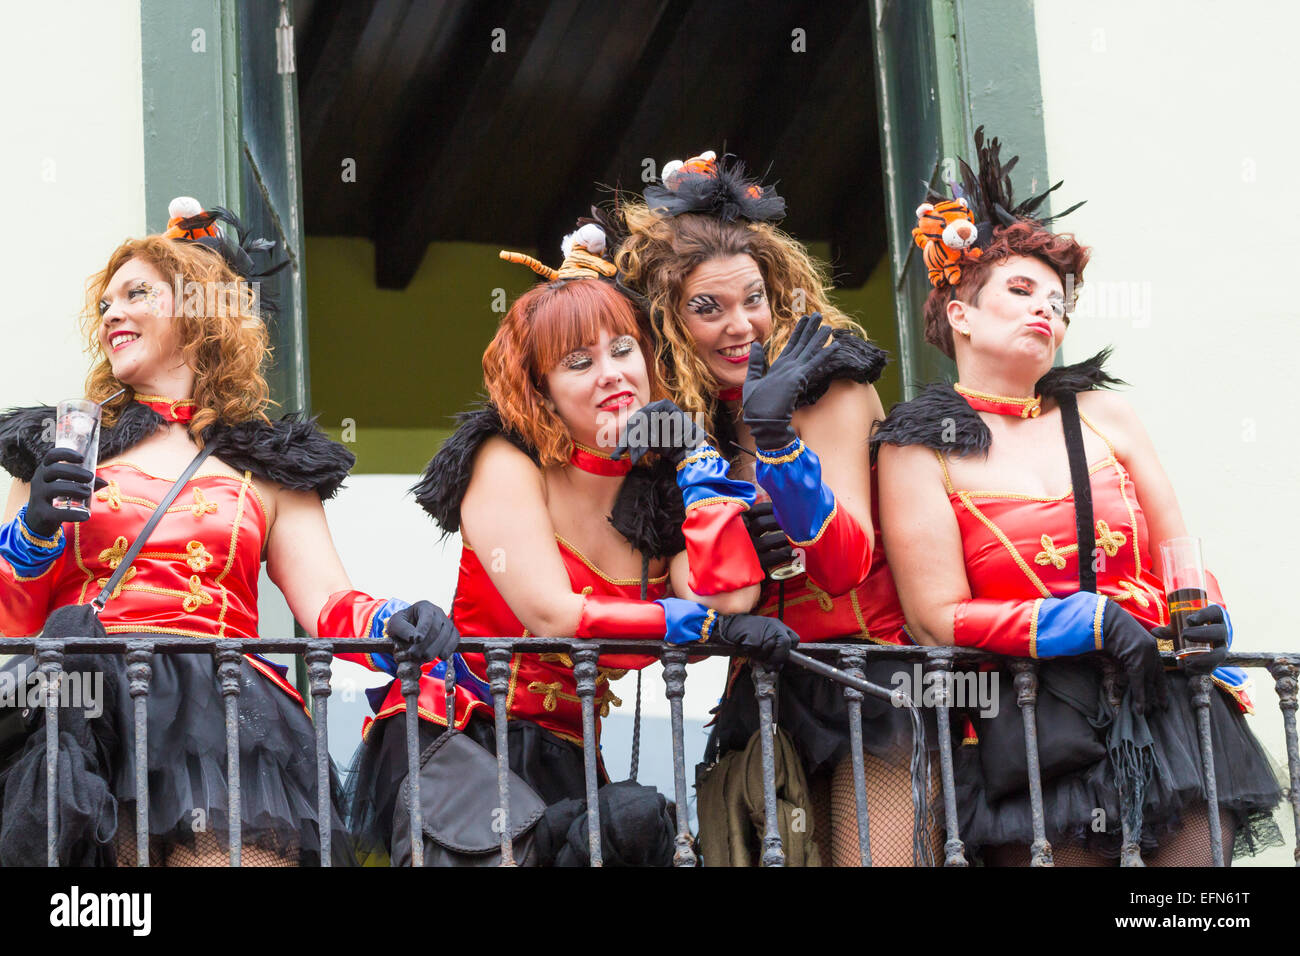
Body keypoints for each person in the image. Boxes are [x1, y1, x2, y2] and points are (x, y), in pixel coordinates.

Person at [0, 197, 455, 866]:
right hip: (89, 715)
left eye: (136, 295)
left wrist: (396, 623)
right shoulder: (58, 446)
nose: (112, 315)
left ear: (197, 309)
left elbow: (330, 605)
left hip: (225, 723)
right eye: (105, 305)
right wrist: (33, 530)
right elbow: (10, 618)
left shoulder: (268, 463)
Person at [873, 130, 1283, 865]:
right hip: (1034, 719)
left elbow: (1178, 556)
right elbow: (936, 617)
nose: (1047, 312)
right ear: (959, 315)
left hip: (1165, 702)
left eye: (1058, 303)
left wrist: (1209, 612)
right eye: (1021, 292)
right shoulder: (915, 444)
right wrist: (1078, 619)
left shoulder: (1105, 414)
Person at [345, 224, 799, 865]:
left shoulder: (663, 485)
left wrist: (697, 462)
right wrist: (683, 623)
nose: (612, 375)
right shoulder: (505, 460)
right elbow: (551, 615)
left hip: (571, 752)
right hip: (465, 737)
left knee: (638, 822)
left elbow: (729, 597)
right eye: (579, 363)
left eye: (623, 350)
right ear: (542, 391)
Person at [613, 152, 937, 867]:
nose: (741, 326)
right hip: (759, 694)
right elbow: (696, 609)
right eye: (709, 307)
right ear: (668, 318)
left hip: (869, 679)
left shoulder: (830, 387)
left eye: (752, 299)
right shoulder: (686, 424)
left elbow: (845, 563)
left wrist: (778, 441)